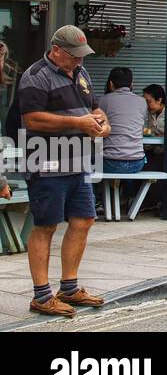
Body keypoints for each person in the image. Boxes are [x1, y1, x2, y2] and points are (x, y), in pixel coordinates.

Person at [17, 25, 110, 317]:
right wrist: (77, 123)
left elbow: (95, 109)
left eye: (82, 56)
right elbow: (31, 119)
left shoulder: (81, 74)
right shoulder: (35, 76)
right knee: (45, 225)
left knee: (84, 220)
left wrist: (102, 124)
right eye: (73, 56)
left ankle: (69, 289)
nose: (79, 61)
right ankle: (41, 296)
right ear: (56, 50)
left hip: (78, 161)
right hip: (46, 162)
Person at [96, 67, 148, 206]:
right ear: (132, 84)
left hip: (109, 163)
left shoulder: (102, 101)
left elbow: (97, 128)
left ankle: (97, 201)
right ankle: (129, 197)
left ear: (111, 84)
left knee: (86, 162)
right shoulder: (142, 102)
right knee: (128, 156)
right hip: (137, 163)